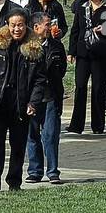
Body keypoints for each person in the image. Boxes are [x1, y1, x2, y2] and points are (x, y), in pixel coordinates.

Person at [0, 8, 46, 191]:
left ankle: (14, 181)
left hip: (20, 102)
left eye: (20, 25)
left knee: (18, 143)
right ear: (7, 25)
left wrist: (33, 102)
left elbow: (39, 80)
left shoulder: (34, 47)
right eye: (13, 25)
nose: (16, 29)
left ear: (26, 25)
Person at [67, 0, 106, 135]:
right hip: (83, 53)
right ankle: (77, 124)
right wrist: (71, 51)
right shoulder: (83, 8)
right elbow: (75, 30)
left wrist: (101, 30)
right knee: (80, 86)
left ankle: (98, 125)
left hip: (100, 54)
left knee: (98, 88)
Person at [24, 12, 66, 184]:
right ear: (36, 27)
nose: (50, 27)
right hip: (31, 99)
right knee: (32, 135)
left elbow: (61, 69)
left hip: (51, 97)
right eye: (47, 24)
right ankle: (35, 171)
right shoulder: (26, 47)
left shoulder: (57, 47)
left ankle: (53, 171)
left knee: (50, 135)